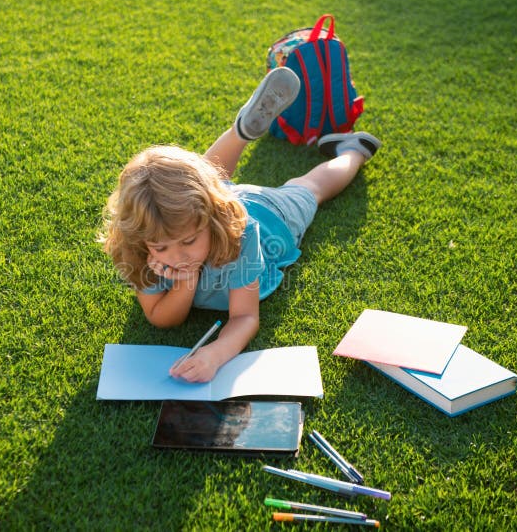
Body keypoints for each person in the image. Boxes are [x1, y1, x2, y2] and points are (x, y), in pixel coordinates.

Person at [102, 67, 381, 383]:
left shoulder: (242, 235)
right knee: (203, 184)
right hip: (208, 207)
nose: (177, 256)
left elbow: (245, 316)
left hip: (270, 216)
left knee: (311, 188)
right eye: (162, 248)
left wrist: (216, 353)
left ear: (210, 222)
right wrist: (186, 279)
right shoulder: (139, 241)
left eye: (189, 242)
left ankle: (354, 151)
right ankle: (240, 131)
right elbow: (159, 317)